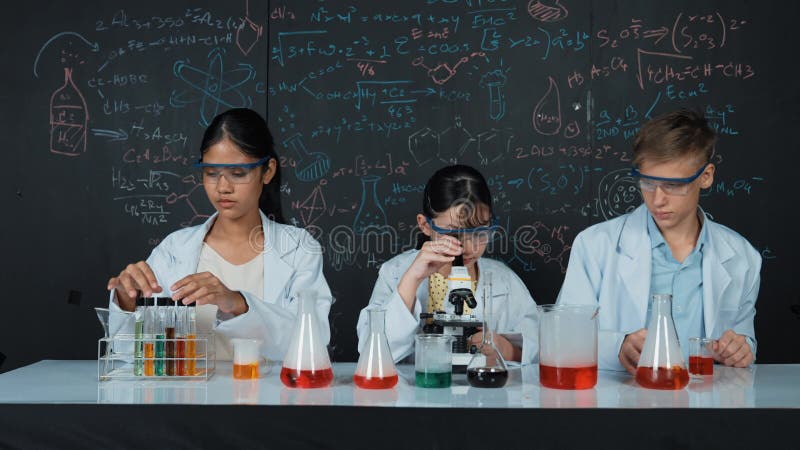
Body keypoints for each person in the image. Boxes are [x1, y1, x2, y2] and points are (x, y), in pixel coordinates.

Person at [107, 108, 332, 361]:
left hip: (271, 396)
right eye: (211, 173)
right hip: (191, 397)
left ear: (267, 171)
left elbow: (313, 340)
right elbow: (131, 351)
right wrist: (128, 301)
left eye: (238, 173)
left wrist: (238, 303)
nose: (223, 187)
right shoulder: (175, 249)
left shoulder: (299, 248)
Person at [557, 109, 760, 373]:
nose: (657, 199)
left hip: (706, 406)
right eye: (648, 183)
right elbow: (563, 338)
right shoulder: (595, 246)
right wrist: (617, 346)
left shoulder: (742, 258)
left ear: (706, 176)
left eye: (673, 185)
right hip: (622, 403)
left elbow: (744, 340)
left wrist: (742, 349)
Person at [357, 165, 538, 364]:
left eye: (479, 232)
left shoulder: (505, 281)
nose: (467, 247)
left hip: (483, 393)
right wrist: (411, 280)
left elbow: (541, 350)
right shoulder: (395, 273)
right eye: (453, 233)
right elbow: (371, 351)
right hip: (414, 391)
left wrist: (506, 349)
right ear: (425, 225)